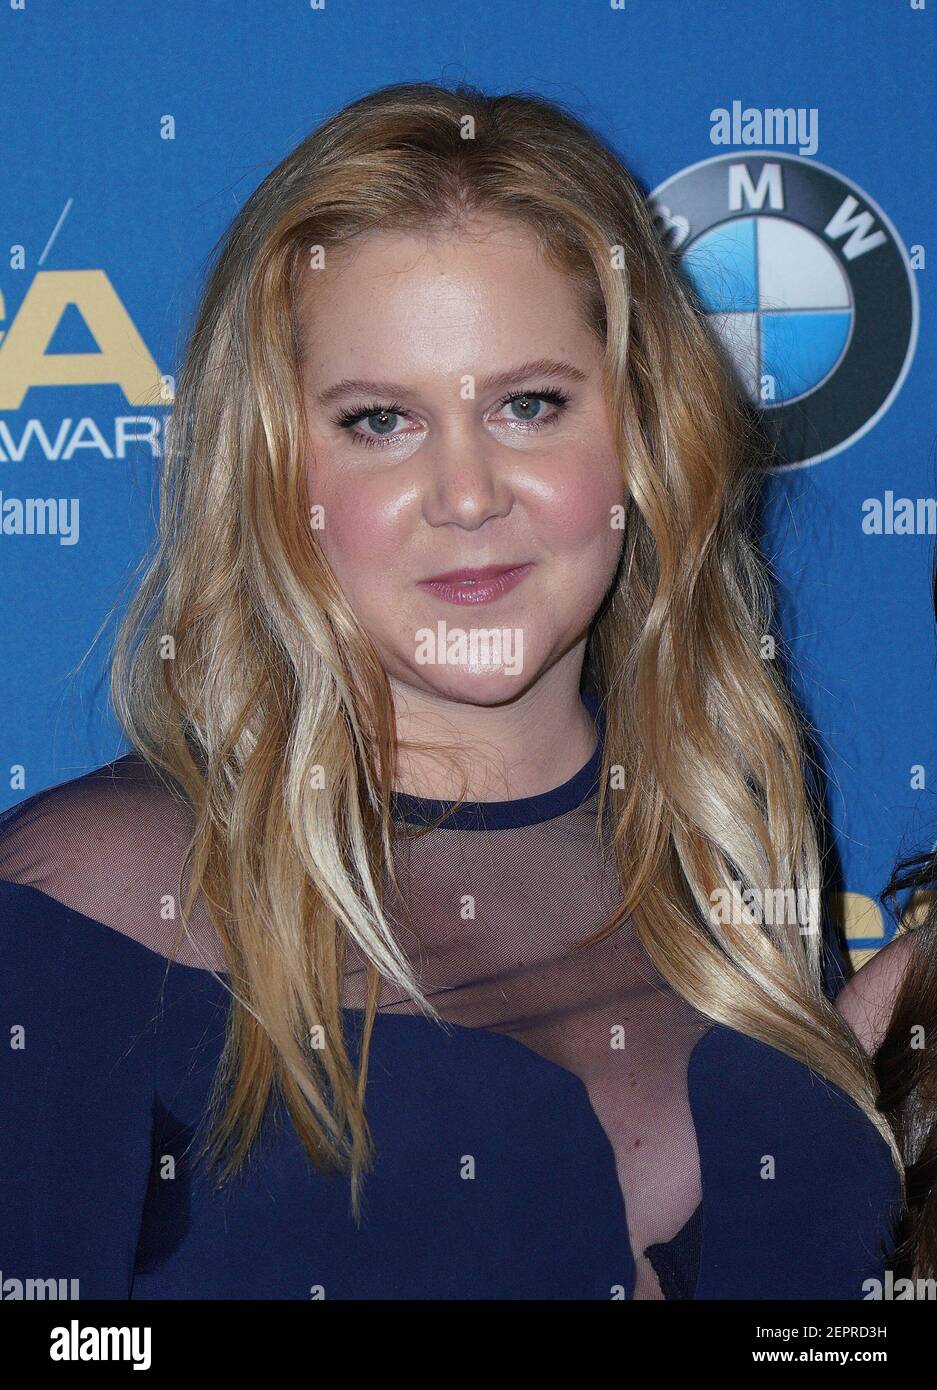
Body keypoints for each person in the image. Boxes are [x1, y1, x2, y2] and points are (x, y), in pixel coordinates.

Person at [0, 80, 901, 1300]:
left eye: (530, 405)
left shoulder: (728, 830)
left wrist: (847, 1099)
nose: (468, 494)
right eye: (380, 421)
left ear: (642, 430)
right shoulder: (99, 894)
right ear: (273, 467)